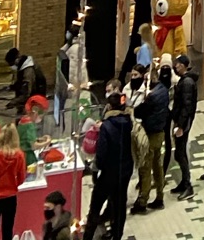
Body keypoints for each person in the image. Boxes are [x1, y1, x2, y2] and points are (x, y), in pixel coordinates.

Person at [82, 92, 132, 240]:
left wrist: (96, 169)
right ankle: (117, 235)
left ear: (109, 107)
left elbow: (102, 154)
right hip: (125, 170)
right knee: (119, 205)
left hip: (109, 173)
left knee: (96, 206)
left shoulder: (107, 126)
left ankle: (88, 236)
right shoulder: (129, 121)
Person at [130, 67, 170, 213]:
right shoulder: (164, 90)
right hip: (160, 133)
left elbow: (140, 111)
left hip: (150, 134)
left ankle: (142, 201)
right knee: (157, 166)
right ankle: (160, 196)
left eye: (147, 79)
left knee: (145, 168)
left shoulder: (152, 96)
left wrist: (141, 103)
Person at [169, 52, 196, 198]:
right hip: (182, 120)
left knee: (180, 153)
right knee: (179, 153)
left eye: (178, 64)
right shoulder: (185, 81)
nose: (175, 66)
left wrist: (180, 125)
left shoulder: (186, 83)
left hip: (183, 122)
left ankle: (188, 184)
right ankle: (184, 182)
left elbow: (186, 106)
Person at [5, 49, 47, 113]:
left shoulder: (28, 71)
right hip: (30, 102)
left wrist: (13, 102)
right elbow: (20, 83)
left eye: (11, 64)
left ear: (16, 60)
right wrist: (12, 87)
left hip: (33, 104)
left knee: (25, 121)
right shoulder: (23, 67)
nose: (11, 66)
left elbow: (26, 93)